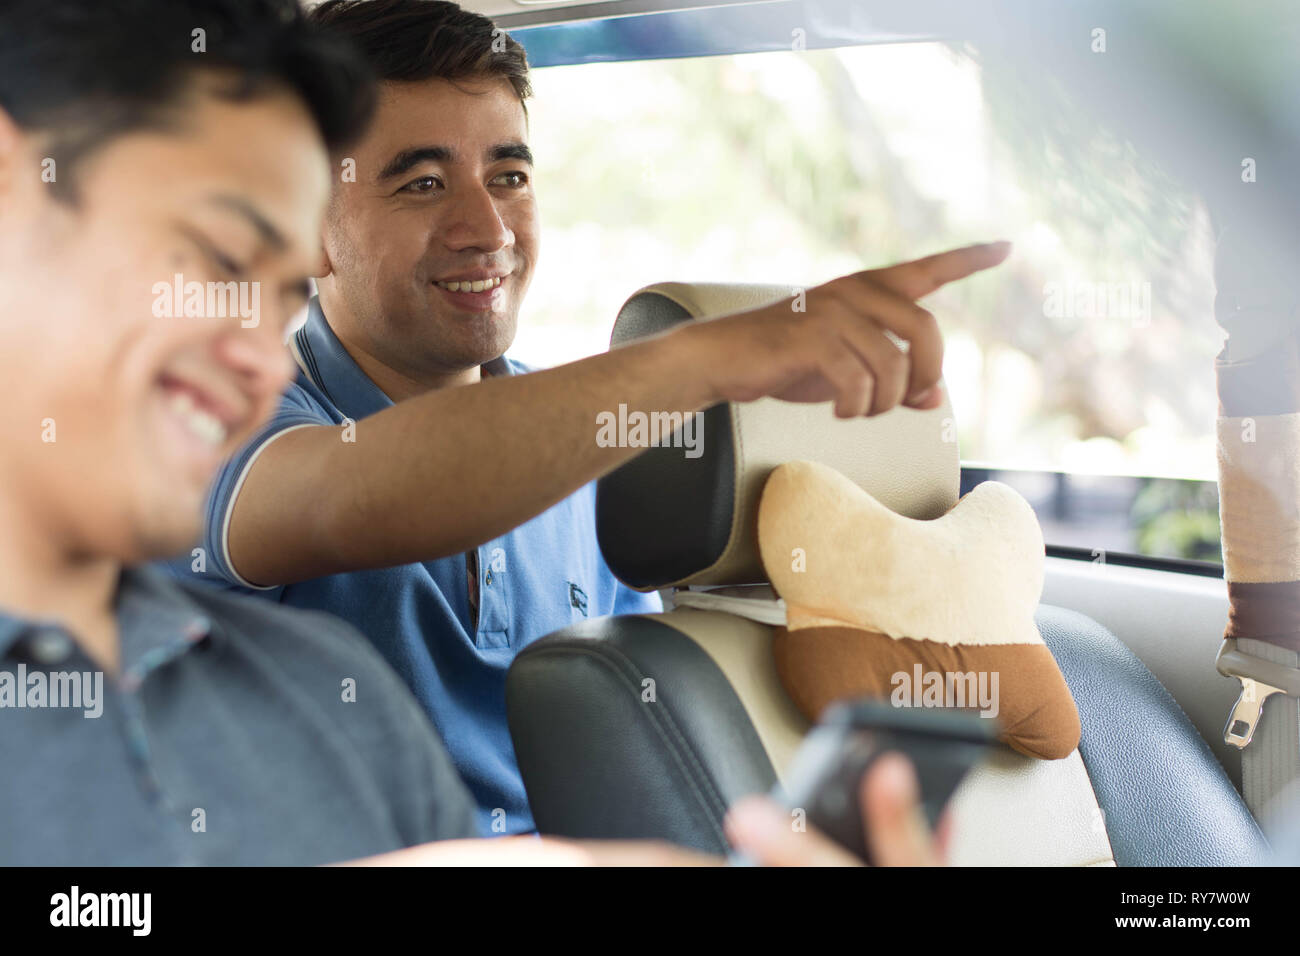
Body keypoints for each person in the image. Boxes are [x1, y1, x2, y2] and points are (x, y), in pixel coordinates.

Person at [0, 0, 993, 866]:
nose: (486, 227)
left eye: (508, 174)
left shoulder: (574, 459)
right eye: (420, 182)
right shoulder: (235, 431)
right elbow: (353, 498)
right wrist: (706, 359)